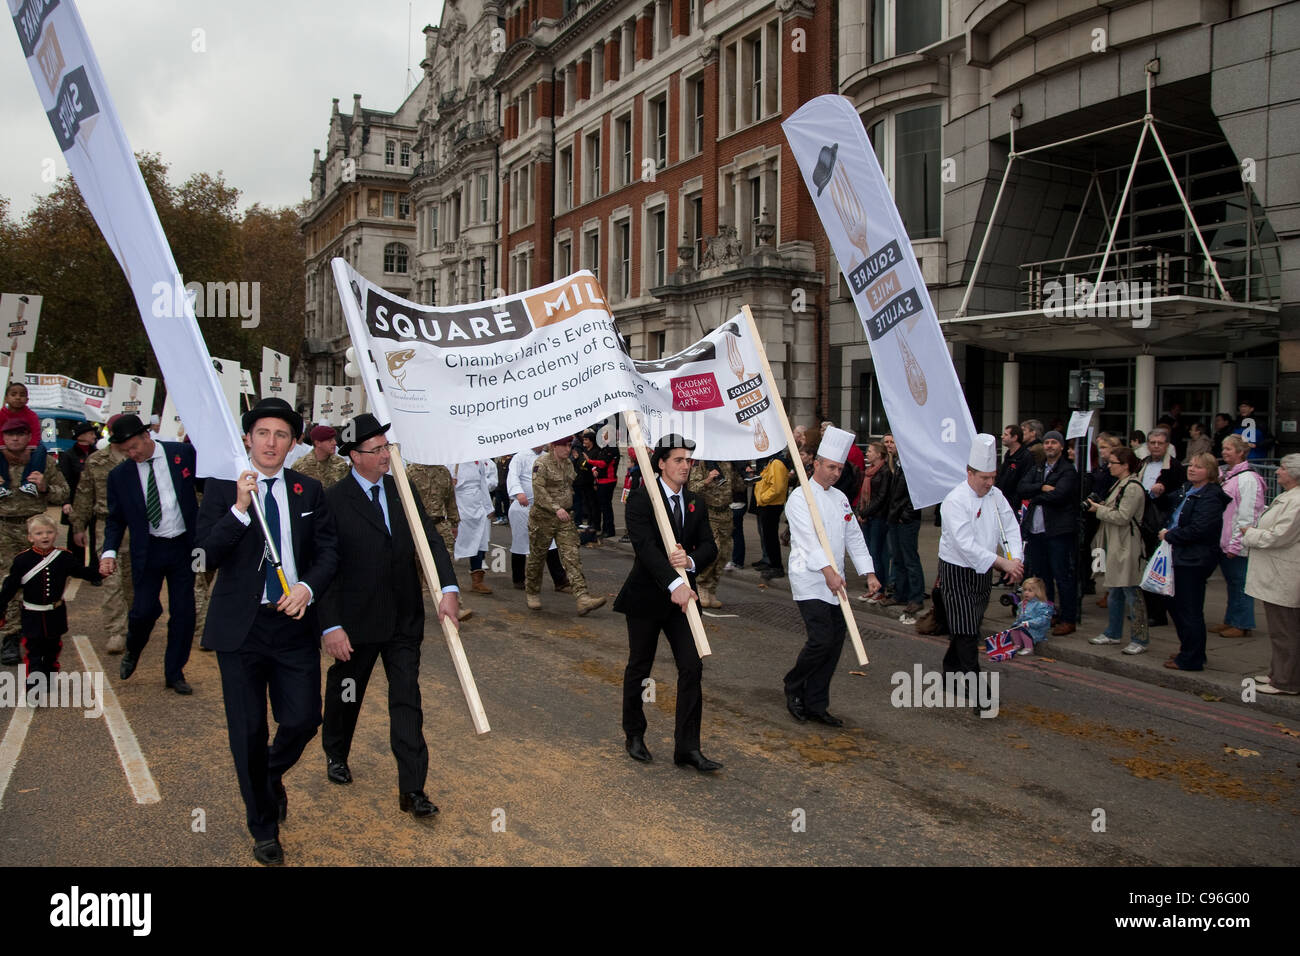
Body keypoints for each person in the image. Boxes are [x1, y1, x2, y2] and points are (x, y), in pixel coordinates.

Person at [195, 397, 339, 865]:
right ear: (248, 440)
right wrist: (239, 509)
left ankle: (270, 774)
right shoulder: (222, 489)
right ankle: (263, 825)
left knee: (302, 719)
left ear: (293, 443)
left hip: (293, 623)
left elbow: (328, 554)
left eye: (280, 434)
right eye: (262, 433)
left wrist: (307, 587)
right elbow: (203, 557)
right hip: (240, 630)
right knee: (248, 730)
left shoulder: (308, 491)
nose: (271, 442)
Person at [318, 414, 459, 817]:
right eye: (376, 449)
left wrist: (447, 588)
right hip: (355, 623)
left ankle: (412, 789)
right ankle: (336, 751)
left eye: (387, 447)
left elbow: (429, 541)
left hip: (402, 619)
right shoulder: (333, 500)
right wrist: (331, 625)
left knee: (407, 700)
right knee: (348, 692)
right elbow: (324, 568)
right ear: (354, 457)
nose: (385, 455)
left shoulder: (402, 489)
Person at [616, 435, 720, 771]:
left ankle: (687, 748)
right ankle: (634, 733)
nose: (686, 466)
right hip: (647, 597)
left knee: (692, 666)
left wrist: (689, 562)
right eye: (678, 460)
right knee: (640, 667)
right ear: (661, 463)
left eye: (689, 460)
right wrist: (674, 581)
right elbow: (645, 548)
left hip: (683, 602)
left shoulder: (695, 502)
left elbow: (709, 547)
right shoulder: (642, 499)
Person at [783, 427, 880, 726]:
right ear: (816, 464)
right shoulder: (800, 498)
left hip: (834, 579)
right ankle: (794, 686)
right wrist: (827, 572)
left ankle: (817, 703)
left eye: (840, 468)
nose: (836, 473)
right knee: (821, 639)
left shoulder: (840, 499)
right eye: (831, 467)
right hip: (810, 577)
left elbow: (854, 536)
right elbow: (808, 541)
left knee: (836, 641)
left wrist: (870, 573)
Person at [99, 414, 199, 694]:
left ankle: (174, 672)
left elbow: (209, 486)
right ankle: (134, 649)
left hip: (184, 547)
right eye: (125, 450)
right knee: (142, 611)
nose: (132, 454)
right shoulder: (119, 476)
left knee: (184, 612)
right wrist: (108, 551)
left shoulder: (183, 454)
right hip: (148, 550)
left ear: (146, 436)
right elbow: (115, 518)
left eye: (134, 447)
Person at [938, 435, 1024, 698]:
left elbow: (1009, 527)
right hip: (957, 570)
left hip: (984, 571)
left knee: (968, 626)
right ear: (969, 473)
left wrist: (1016, 559)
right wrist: (1002, 563)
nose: (989, 483)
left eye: (993, 477)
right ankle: (981, 695)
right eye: (984, 478)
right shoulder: (955, 501)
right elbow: (965, 545)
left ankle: (949, 671)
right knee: (966, 633)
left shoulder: (996, 496)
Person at [0, 514, 101, 692]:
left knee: (52, 650)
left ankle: (48, 678)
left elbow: (81, 572)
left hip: (55, 614)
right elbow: (9, 588)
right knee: (33, 652)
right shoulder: (22, 560)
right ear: (30, 537)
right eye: (39, 533)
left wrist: (100, 572)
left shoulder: (63, 557)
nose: (45, 536)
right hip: (32, 615)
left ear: (55, 534)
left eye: (49, 532)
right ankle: (34, 685)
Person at [0, 421, 70, 666]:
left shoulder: (44, 462)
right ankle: (10, 637)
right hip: (4, 528)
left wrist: (44, 487)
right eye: (10, 434)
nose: (15, 439)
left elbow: (63, 492)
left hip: (36, 529)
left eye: (20, 434)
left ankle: (37, 633)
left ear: (29, 436)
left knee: (37, 582)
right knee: (8, 580)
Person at [1159, 452, 1228, 672]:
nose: (1192, 469)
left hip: (1194, 559)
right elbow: (1165, 505)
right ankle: (1189, 648)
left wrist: (1170, 535)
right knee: (1174, 604)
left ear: (1209, 472)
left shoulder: (1211, 496)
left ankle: (1192, 658)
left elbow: (1199, 529)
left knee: (1189, 609)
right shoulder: (1188, 490)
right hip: (1179, 555)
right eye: (1191, 465)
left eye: (1198, 467)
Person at [69, 423, 132, 654]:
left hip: (138, 527)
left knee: (133, 582)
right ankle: (117, 631)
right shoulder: (96, 461)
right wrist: (78, 526)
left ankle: (134, 624)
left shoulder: (139, 457)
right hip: (106, 526)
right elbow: (84, 494)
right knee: (111, 581)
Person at [1241, 453, 1300, 695]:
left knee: (1285, 630)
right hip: (1277, 573)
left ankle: (1286, 681)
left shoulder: (1297, 502)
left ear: (1295, 473)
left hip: (1284, 574)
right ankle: (1278, 672)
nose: (1277, 472)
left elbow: (1279, 536)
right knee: (1280, 629)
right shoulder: (1289, 497)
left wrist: (1250, 533)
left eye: (1282, 468)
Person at [525, 437, 605, 614]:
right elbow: (538, 490)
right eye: (565, 446)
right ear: (554, 446)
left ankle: (582, 597)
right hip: (543, 517)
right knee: (537, 557)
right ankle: (532, 591)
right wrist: (555, 508)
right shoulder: (541, 463)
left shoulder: (568, 464)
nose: (568, 449)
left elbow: (571, 483)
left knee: (572, 555)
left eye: (570, 446)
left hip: (565, 518)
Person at [1085, 446, 1149, 653]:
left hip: (1127, 546)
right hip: (1115, 545)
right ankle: (1113, 633)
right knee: (1114, 591)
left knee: (1132, 592)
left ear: (1125, 465)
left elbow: (1123, 517)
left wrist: (1099, 509)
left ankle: (1140, 639)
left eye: (1113, 463)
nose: (1109, 466)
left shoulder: (1132, 487)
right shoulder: (1120, 484)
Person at [1016, 429, 1079, 636]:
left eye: (1054, 442)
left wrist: (1036, 495)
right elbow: (1022, 488)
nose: (1049, 446)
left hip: (1058, 531)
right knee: (1043, 577)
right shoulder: (1038, 468)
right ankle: (1049, 612)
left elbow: (1060, 496)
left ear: (1061, 446)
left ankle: (1069, 618)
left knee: (1063, 576)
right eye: (1047, 442)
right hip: (1036, 532)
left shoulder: (1067, 470)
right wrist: (1042, 488)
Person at [1214, 435, 1267, 638]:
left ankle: (1242, 623)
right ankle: (1230, 619)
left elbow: (1249, 513)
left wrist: (1237, 544)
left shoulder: (1248, 479)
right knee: (1232, 582)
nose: (1224, 452)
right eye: (1223, 448)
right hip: (1225, 540)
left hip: (1237, 543)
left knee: (1240, 583)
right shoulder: (1230, 475)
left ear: (1240, 452)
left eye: (1229, 449)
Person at [505, 444, 569, 592]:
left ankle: (560, 580)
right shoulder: (520, 456)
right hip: (522, 507)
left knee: (549, 542)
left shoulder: (545, 458)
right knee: (520, 542)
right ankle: (519, 579)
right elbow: (513, 476)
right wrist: (518, 492)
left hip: (542, 507)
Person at [1138, 427, 1185, 628]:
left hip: (1162, 524)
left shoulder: (1174, 467)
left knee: (1157, 568)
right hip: (1142, 521)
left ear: (1167, 445)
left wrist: (1162, 493)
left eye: (1160, 443)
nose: (1156, 446)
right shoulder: (1143, 464)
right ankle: (1150, 610)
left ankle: (1159, 614)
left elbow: (1178, 498)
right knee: (1144, 567)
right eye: (1152, 442)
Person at [688, 459, 740, 609]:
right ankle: (701, 585)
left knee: (725, 552)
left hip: (726, 513)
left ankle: (711, 588)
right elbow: (692, 488)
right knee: (713, 550)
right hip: (709, 513)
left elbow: (739, 487)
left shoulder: (730, 462)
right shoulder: (703, 462)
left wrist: (745, 473)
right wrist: (708, 479)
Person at [885, 440, 925, 622]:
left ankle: (916, 597)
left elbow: (916, 494)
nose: (890, 446)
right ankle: (900, 593)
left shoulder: (911, 466)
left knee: (910, 559)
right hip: (895, 517)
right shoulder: (898, 464)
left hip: (906, 520)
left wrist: (906, 515)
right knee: (899, 559)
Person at [453, 459, 497, 594]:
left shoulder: (479, 462)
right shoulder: (453, 463)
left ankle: (477, 581)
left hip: (478, 508)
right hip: (461, 507)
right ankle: (447, 581)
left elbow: (483, 484)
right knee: (453, 543)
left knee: (479, 543)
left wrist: (489, 507)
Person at [856, 440, 892, 603]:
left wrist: (865, 512)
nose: (867, 453)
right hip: (868, 517)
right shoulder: (869, 471)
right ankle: (873, 586)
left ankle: (880, 587)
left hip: (878, 517)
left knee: (877, 553)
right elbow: (862, 494)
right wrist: (860, 512)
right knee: (870, 552)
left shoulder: (884, 471)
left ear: (878, 454)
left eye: (870, 451)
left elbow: (882, 497)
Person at [986, 577, 1052, 659]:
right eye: (1025, 590)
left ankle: (1029, 648)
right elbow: (1019, 616)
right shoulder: (1022, 603)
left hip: (1037, 628)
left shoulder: (1041, 605)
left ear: (1038, 592)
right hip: (1025, 625)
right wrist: (1017, 623)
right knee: (1015, 629)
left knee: (1023, 630)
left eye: (1030, 590)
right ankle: (1018, 644)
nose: (1026, 593)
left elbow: (1044, 618)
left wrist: (1029, 623)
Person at [753, 450, 789, 579]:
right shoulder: (772, 462)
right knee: (768, 537)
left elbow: (777, 488)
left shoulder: (777, 463)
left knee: (771, 537)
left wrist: (762, 498)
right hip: (768, 505)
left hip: (771, 505)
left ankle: (776, 566)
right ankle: (771, 563)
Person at [995, 424, 1032, 503]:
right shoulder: (1008, 455)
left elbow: (1024, 481)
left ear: (1015, 438)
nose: (1002, 437)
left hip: (1015, 504)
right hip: (1003, 500)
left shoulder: (1026, 457)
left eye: (1006, 435)